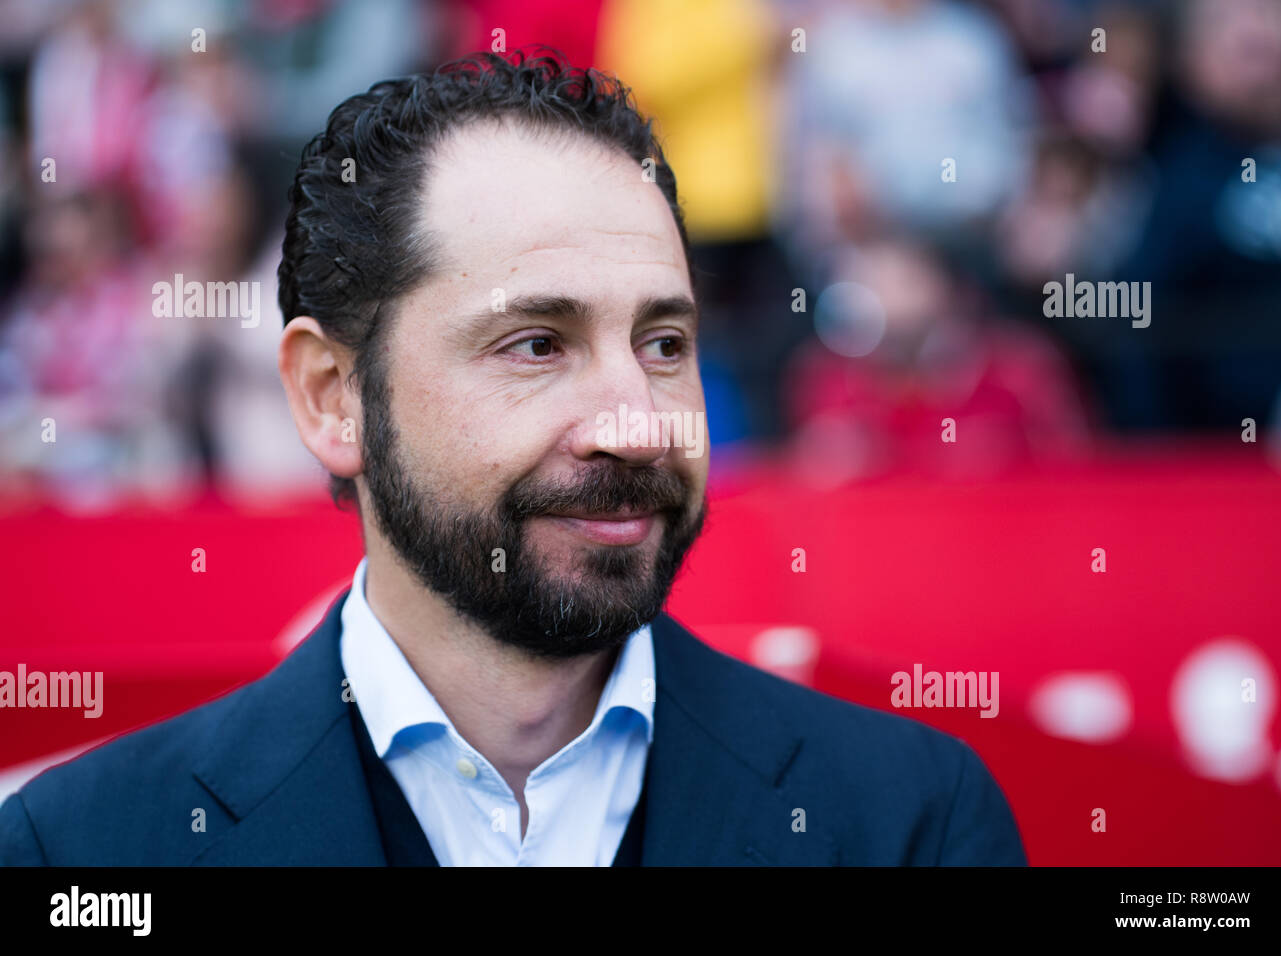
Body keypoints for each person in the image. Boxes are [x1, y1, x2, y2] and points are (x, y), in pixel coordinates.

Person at [0, 50, 1026, 867]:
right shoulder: (83, 851)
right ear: (330, 396)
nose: (635, 424)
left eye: (662, 344)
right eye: (536, 344)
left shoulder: (912, 822)